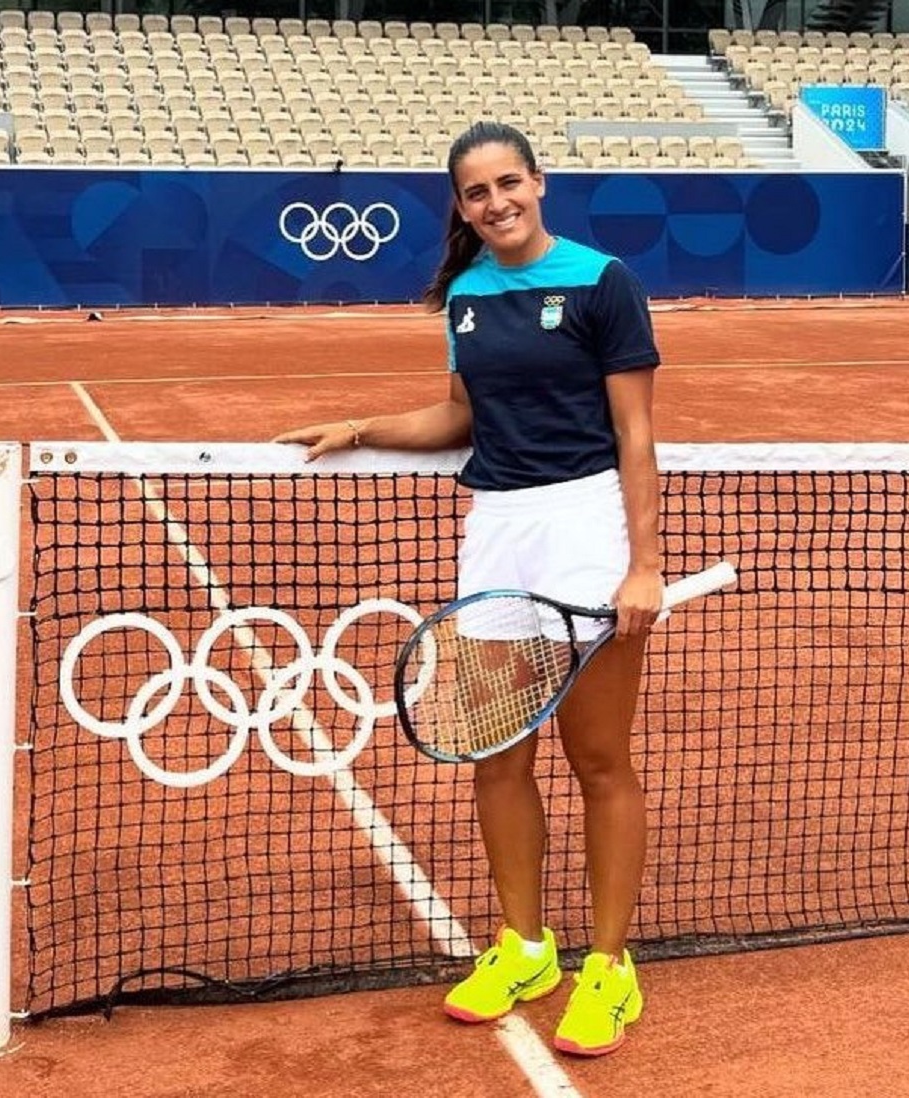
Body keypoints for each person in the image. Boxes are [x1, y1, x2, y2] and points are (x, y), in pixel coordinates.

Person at [272, 120, 663, 1058]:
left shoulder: (605, 282)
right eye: (477, 193)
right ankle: (526, 946)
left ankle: (609, 968)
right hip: (495, 533)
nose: (496, 204)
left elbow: (638, 436)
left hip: (585, 527)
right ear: (462, 206)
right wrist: (359, 425)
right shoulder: (466, 298)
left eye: (508, 184)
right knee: (498, 752)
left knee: (600, 758)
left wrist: (642, 562)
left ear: (539, 183)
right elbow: (459, 416)